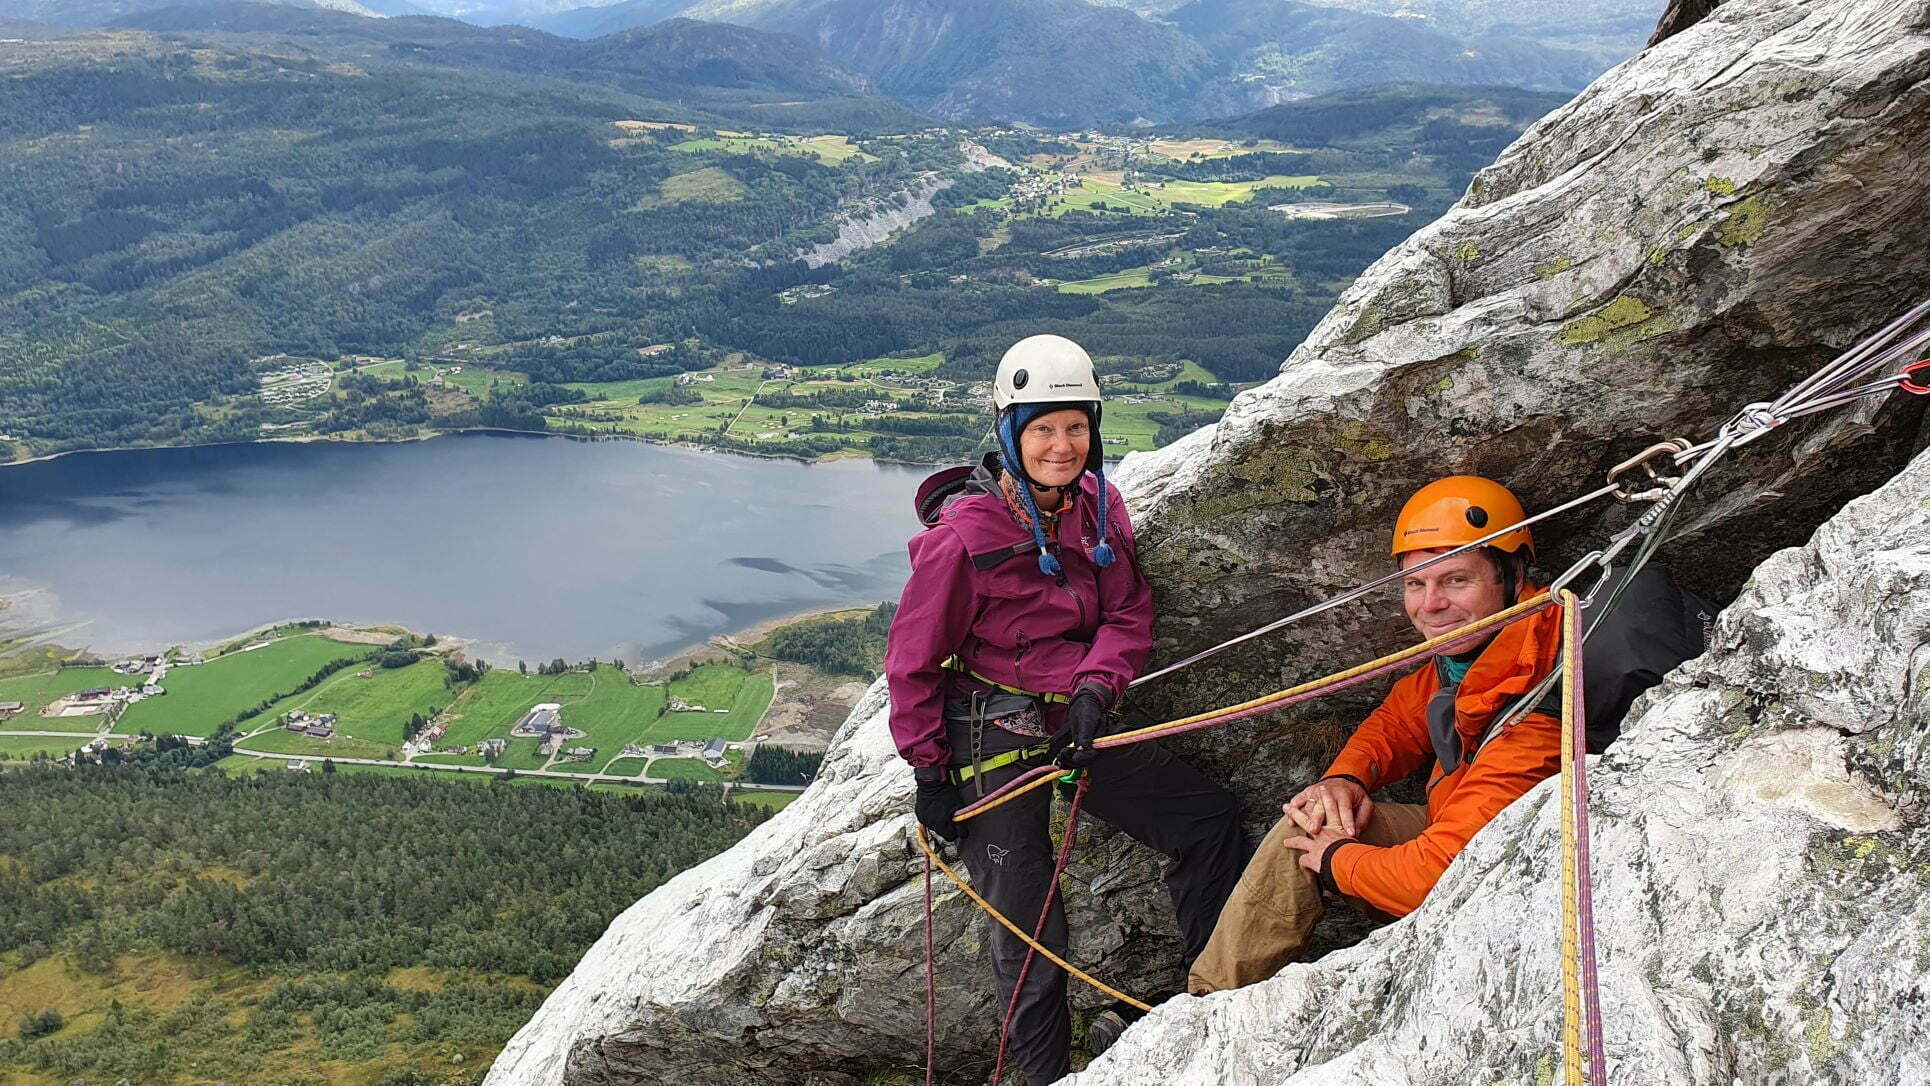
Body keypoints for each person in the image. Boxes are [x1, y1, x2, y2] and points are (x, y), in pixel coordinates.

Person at [885, 334, 1247, 1085]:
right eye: (1042, 429)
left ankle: (1209, 1002)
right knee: (1028, 936)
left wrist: (1094, 691)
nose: (1061, 444)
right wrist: (930, 774)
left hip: (1072, 723)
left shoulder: (1097, 504)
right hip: (990, 734)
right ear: (1010, 432)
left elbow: (1127, 613)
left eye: (1075, 426)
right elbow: (913, 662)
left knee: (1204, 820)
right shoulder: (963, 540)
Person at [1187, 475, 1708, 994]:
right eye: (1416, 584)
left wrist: (1335, 860)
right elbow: (1398, 720)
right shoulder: (1477, 651)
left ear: (1511, 575)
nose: (1430, 605)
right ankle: (1209, 997)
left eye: (1456, 580)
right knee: (1311, 819)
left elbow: (1433, 877)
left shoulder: (1540, 710)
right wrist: (1346, 777)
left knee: (1316, 844)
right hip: (1456, 827)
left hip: (1505, 877)